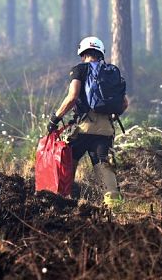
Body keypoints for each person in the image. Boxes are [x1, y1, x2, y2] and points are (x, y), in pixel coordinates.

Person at [47, 36, 128, 210]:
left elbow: (72, 97)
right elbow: (125, 103)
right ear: (101, 53)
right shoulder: (112, 71)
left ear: (83, 54)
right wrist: (111, 115)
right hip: (105, 129)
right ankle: (113, 207)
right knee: (104, 165)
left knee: (68, 161)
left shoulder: (80, 70)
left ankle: (62, 201)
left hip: (82, 128)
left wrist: (55, 118)